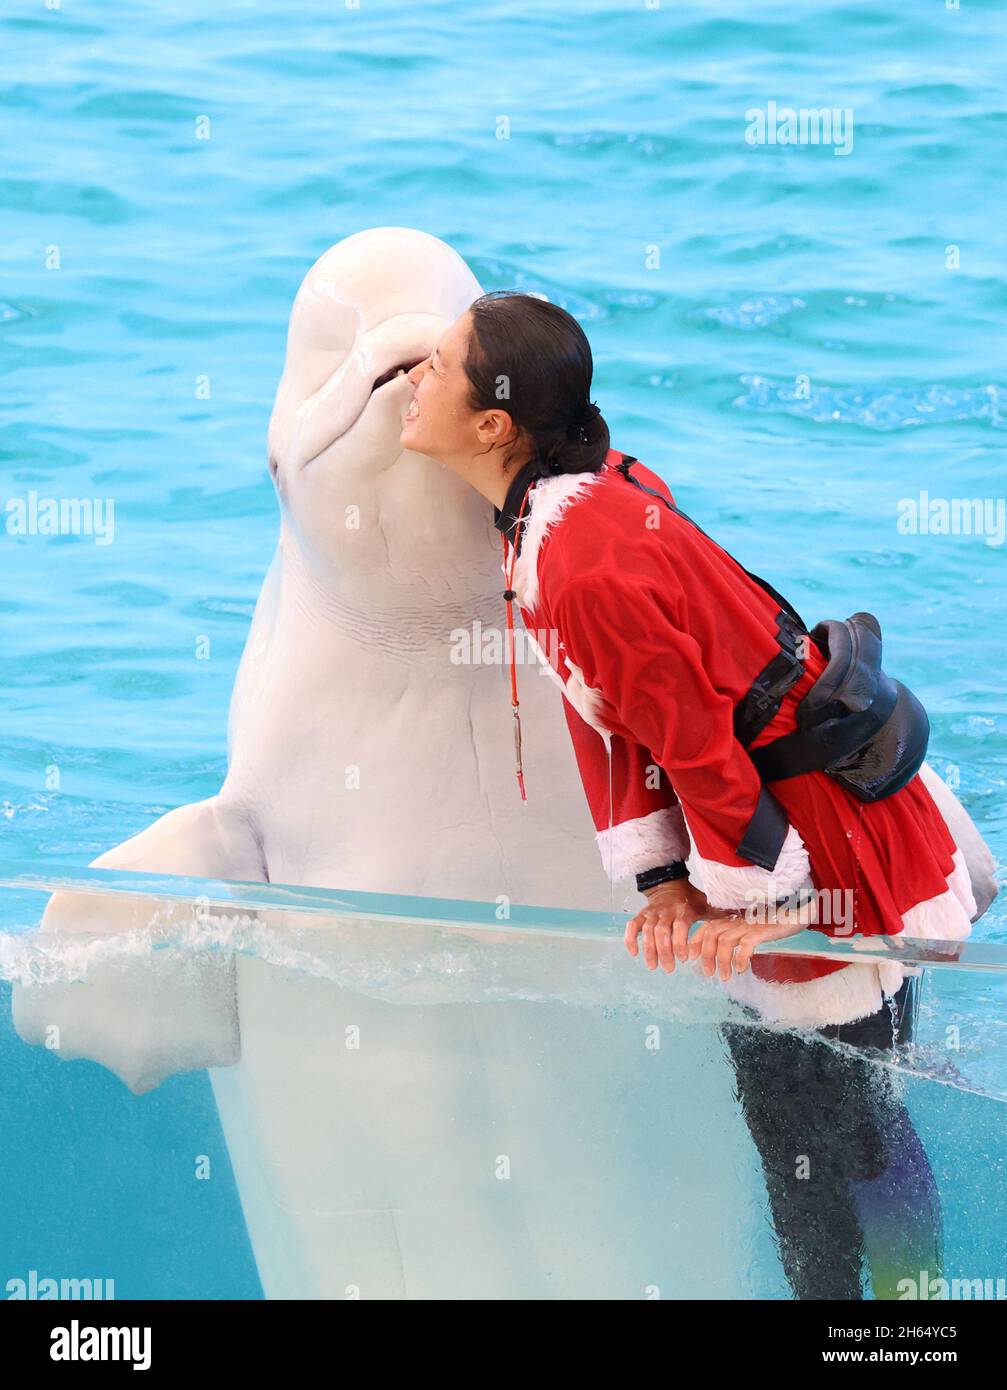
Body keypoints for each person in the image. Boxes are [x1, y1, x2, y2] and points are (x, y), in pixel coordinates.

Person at [400, 289, 997, 1298]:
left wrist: (751, 906)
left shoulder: (579, 560)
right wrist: (664, 882)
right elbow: (626, 721)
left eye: (434, 364)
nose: (412, 374)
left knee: (854, 1133)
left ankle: (911, 1334)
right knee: (791, 1142)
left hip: (821, 843)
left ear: (492, 425)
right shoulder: (562, 509)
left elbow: (691, 739)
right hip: (777, 828)